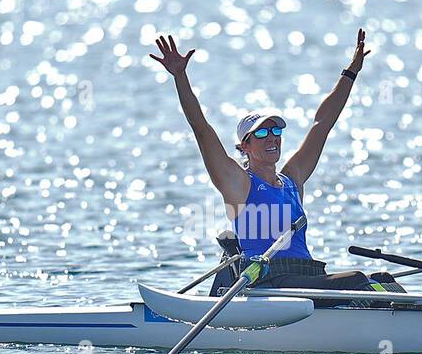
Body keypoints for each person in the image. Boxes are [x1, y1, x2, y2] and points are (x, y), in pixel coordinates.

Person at [150, 29, 402, 293]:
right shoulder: (239, 184)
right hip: (269, 283)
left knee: (382, 278)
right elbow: (201, 129)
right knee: (356, 279)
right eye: (261, 133)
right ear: (244, 146)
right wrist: (180, 77)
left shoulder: (293, 180)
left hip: (304, 276)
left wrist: (351, 72)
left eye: (276, 131)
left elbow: (322, 124)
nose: (271, 138)